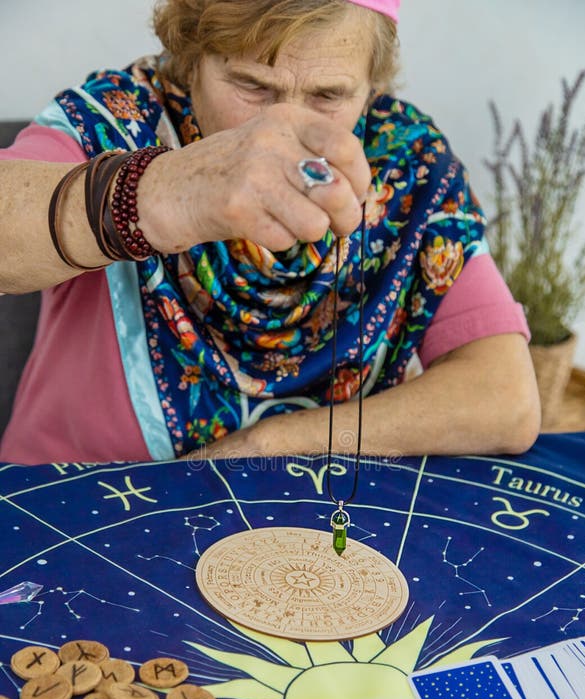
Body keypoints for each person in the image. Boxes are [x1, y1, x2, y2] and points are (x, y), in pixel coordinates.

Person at [0, 0, 540, 465]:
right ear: (189, 61)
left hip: (299, 525)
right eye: (251, 85)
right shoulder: (114, 120)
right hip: (73, 511)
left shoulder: (407, 161)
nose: (280, 129)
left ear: (372, 88)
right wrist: (162, 193)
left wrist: (273, 443)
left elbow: (505, 398)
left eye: (329, 95)